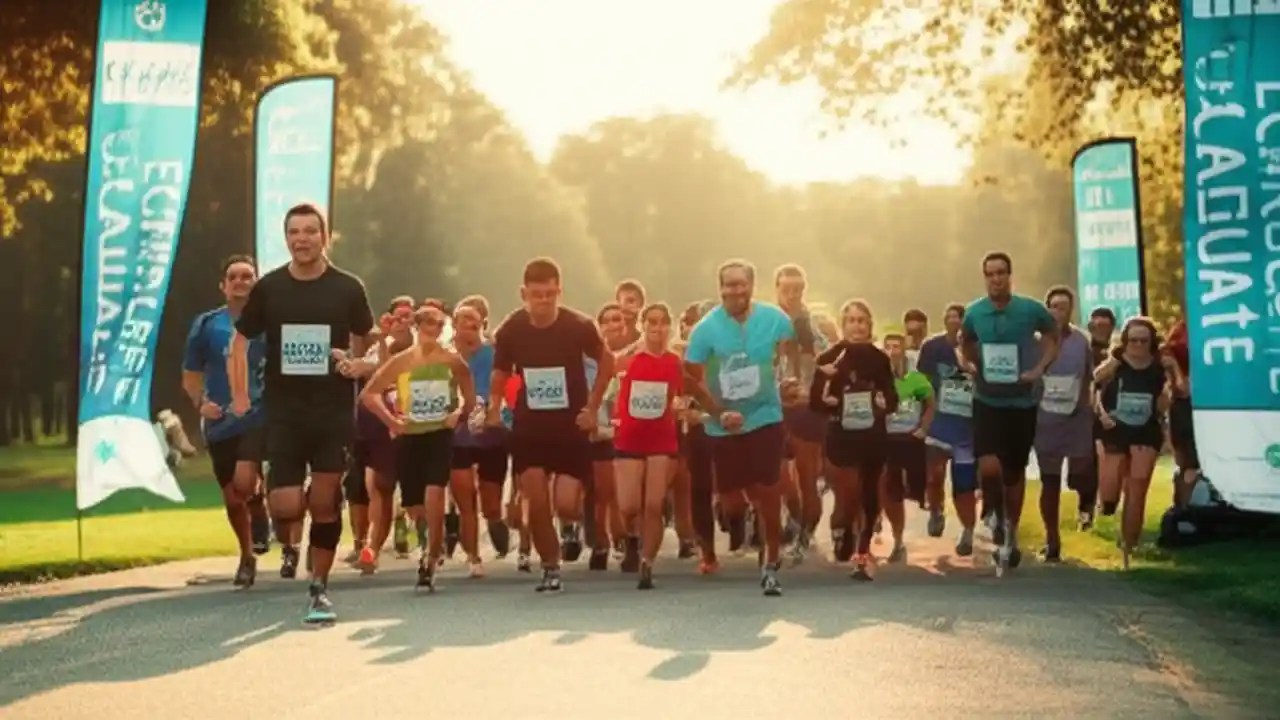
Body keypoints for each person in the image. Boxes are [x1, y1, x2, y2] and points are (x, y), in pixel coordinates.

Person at [229, 202, 375, 623]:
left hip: (331, 412)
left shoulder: (347, 287)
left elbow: (368, 336)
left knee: (325, 501)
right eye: (295, 232)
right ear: (286, 237)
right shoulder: (270, 288)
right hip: (285, 411)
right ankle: (298, 512)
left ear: (324, 236)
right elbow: (240, 341)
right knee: (288, 507)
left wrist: (357, 363)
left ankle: (318, 589)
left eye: (311, 231)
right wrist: (240, 394)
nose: (302, 239)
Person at [486, 257, 614, 593]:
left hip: (570, 424)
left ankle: (573, 525)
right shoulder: (511, 329)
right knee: (537, 500)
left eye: (549, 294)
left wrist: (592, 407)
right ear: (523, 293)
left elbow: (608, 362)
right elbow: (500, 373)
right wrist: (494, 408)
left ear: (560, 291)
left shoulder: (579, 326)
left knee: (567, 504)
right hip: (530, 425)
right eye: (536, 294)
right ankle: (550, 565)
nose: (543, 301)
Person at [684, 259, 798, 597]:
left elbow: (789, 356)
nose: (735, 290)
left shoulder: (775, 320)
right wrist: (718, 413)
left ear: (752, 285)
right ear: (720, 288)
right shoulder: (705, 330)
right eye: (728, 285)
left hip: (765, 415)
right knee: (732, 499)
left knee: (769, 490)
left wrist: (790, 380)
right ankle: (742, 515)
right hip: (725, 425)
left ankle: (770, 562)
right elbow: (690, 377)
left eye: (740, 284)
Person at [360, 302, 476, 589]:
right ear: (416, 328)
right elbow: (369, 394)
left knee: (435, 492)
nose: (432, 332)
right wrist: (391, 422)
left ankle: (431, 557)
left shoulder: (452, 361)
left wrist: (457, 414)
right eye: (426, 326)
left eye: (437, 326)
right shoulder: (402, 362)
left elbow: (469, 397)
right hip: (409, 436)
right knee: (415, 505)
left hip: (439, 434)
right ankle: (429, 538)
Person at [959, 251, 1059, 576]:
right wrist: (971, 365)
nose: (996, 279)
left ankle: (1010, 533)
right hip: (987, 399)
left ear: (1010, 275)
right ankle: (994, 513)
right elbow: (967, 344)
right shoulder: (974, 312)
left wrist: (1039, 369)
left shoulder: (1030, 310)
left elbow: (1052, 337)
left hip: (1021, 402)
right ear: (984, 277)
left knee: (1014, 473)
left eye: (1001, 273)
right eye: (990, 274)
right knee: (989, 466)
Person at [181, 254, 272, 586]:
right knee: (233, 496)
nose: (240, 282)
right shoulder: (207, 325)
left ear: (256, 283)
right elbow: (190, 374)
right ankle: (247, 555)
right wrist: (200, 403)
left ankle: (258, 502)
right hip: (219, 418)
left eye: (247, 276)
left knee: (245, 480)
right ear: (223, 285)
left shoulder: (269, 323)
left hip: (258, 413)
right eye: (233, 277)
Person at [810, 299, 898, 580]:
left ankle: (862, 550)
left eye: (862, 320)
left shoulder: (880, 358)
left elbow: (892, 398)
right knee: (847, 495)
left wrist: (884, 403)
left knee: (870, 491)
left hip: (872, 434)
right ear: (843, 324)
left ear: (869, 326)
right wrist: (831, 401)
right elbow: (815, 402)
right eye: (851, 320)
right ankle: (845, 527)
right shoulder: (828, 358)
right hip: (841, 434)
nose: (857, 326)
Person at [1094, 317, 1183, 568]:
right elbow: (1094, 383)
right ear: (1125, 341)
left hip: (1146, 430)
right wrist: (1102, 414)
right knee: (1110, 492)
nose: (1138, 345)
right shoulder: (1117, 362)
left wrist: (1173, 370)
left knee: (1137, 487)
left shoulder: (1158, 366)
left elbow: (1178, 390)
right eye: (1133, 340)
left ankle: (1129, 546)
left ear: (1151, 342)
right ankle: (1107, 504)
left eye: (1144, 341)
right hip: (1115, 428)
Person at [613, 303, 684, 589]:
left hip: (661, 438)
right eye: (651, 322)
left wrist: (682, 407)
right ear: (642, 325)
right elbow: (606, 387)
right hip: (629, 438)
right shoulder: (626, 360)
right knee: (630, 505)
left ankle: (647, 562)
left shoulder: (674, 361)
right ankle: (631, 536)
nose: (657, 328)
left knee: (654, 504)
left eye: (662, 322)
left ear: (670, 326)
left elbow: (680, 394)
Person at [1032, 286, 1096, 562]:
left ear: (1071, 310)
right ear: (1047, 309)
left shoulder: (1082, 341)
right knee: (1050, 481)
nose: (1059, 311)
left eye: (1064, 306)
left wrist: (1084, 405)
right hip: (1045, 418)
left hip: (1076, 416)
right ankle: (1052, 539)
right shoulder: (1035, 341)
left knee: (1081, 469)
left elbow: (1088, 376)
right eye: (1054, 306)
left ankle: (1085, 500)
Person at [450, 301, 513, 560]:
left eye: (474, 322)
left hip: (492, 431)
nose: (468, 326)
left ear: (482, 326)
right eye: (462, 321)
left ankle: (496, 520)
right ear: (454, 326)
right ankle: (473, 556)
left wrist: (489, 414)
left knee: (490, 502)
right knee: (466, 500)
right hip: (458, 433)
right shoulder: (444, 355)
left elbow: (503, 390)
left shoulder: (494, 354)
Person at [916, 303, 979, 554]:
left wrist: (971, 369)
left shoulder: (978, 348)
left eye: (959, 317)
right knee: (934, 475)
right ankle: (935, 510)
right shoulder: (932, 347)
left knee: (964, 485)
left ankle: (968, 532)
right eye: (949, 317)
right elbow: (920, 382)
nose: (954, 321)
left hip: (966, 428)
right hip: (938, 424)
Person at [775, 264, 824, 561]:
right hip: (775, 406)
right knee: (779, 476)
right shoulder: (765, 321)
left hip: (806, 408)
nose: (792, 295)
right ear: (777, 289)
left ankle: (805, 534)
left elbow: (829, 359)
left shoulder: (815, 323)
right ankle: (793, 516)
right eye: (786, 289)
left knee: (808, 478)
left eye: (798, 289)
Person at [881, 328, 934, 564]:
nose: (892, 352)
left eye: (896, 347)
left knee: (917, 487)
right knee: (890, 491)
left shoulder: (916, 378)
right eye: (888, 347)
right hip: (887, 439)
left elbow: (931, 403)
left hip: (911, 438)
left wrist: (923, 428)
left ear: (904, 351)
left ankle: (933, 505)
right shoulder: (879, 378)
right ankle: (898, 539)